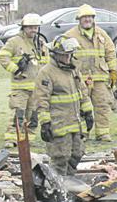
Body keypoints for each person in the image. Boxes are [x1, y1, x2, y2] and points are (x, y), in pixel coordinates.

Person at [28, 36, 94, 176]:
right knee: (61, 157)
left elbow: (82, 92)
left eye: (70, 54)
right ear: (55, 54)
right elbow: (41, 99)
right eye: (65, 55)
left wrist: (88, 112)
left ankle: (69, 181)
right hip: (58, 123)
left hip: (75, 122)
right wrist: (45, 123)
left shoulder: (73, 70)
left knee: (77, 153)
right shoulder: (46, 72)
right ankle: (57, 183)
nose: (68, 58)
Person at [63, 4, 117, 142]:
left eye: (90, 17)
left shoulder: (101, 34)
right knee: (80, 107)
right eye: (84, 17)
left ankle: (103, 133)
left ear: (93, 18)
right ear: (79, 19)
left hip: (100, 77)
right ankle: (82, 134)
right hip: (80, 79)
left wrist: (113, 72)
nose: (87, 19)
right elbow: (63, 56)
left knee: (103, 105)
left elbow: (110, 53)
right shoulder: (70, 35)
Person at [0, 13, 48, 144]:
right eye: (30, 27)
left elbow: (46, 62)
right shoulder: (14, 42)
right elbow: (2, 56)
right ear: (24, 27)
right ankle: (11, 139)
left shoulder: (40, 43)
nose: (33, 30)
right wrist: (15, 69)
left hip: (36, 88)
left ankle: (29, 139)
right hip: (20, 86)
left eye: (35, 27)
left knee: (33, 115)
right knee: (18, 114)